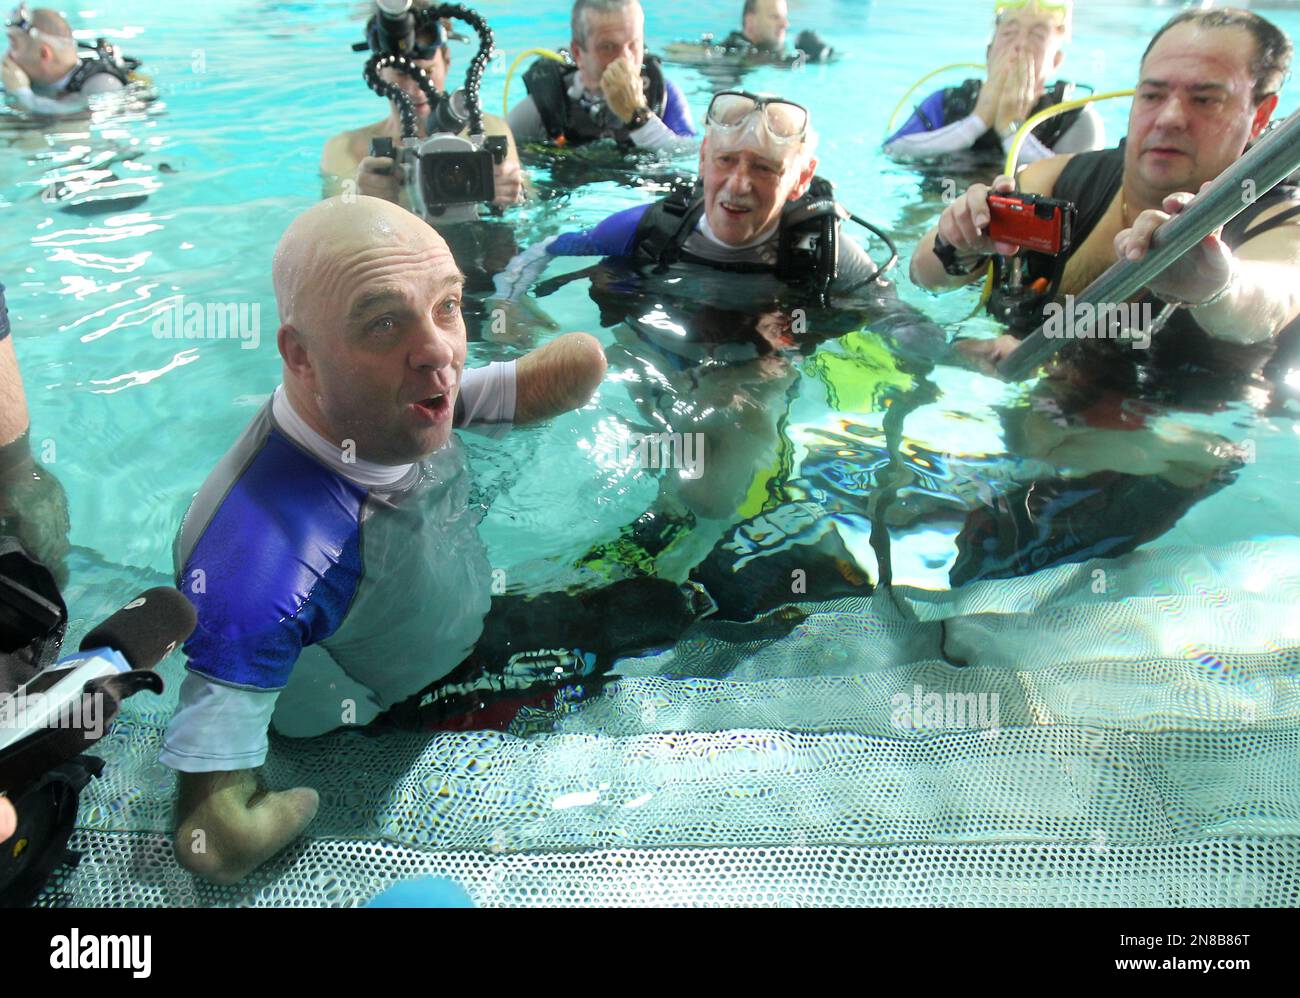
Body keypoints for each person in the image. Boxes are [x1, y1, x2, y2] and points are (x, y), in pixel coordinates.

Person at [162, 196, 624, 884]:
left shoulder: (390, 393)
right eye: (383, 322)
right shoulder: (261, 562)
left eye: (447, 306)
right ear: (300, 356)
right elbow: (216, 837)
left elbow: (536, 384)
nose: (439, 351)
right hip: (391, 719)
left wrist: (583, 358)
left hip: (444, 634)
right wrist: (316, 803)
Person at [912, 8, 1300, 400]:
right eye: (1152, 95)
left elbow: (1272, 298)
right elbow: (923, 275)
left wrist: (1217, 287)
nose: (1169, 117)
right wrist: (958, 243)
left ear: (1260, 115)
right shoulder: (1058, 180)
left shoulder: (1279, 221)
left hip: (1171, 438)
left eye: (1204, 100)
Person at [321, 2, 523, 211]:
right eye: (401, 74)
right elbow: (330, 228)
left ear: (447, 60)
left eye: (427, 73)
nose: (416, 89)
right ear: (379, 72)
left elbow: (531, 208)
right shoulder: (345, 149)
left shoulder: (491, 131)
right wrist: (361, 202)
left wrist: (513, 193)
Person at [884, 0, 1103, 167]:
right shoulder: (947, 103)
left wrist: (1012, 131)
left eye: (1037, 36)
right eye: (1009, 33)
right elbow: (892, 150)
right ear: (989, 52)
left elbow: (1079, 187)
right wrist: (976, 122)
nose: (1020, 45)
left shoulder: (1075, 121)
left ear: (1055, 61)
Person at [507, 0, 696, 152]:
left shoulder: (663, 95)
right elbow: (494, 161)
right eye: (608, 47)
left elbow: (695, 162)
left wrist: (637, 116)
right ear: (578, 53)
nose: (625, 59)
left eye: (633, 45)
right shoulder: (546, 107)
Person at [2, 4, 137, 116]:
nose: (7, 55)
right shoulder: (36, 82)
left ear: (44, 54)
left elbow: (74, 124)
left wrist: (21, 93)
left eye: (14, 46)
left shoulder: (103, 85)